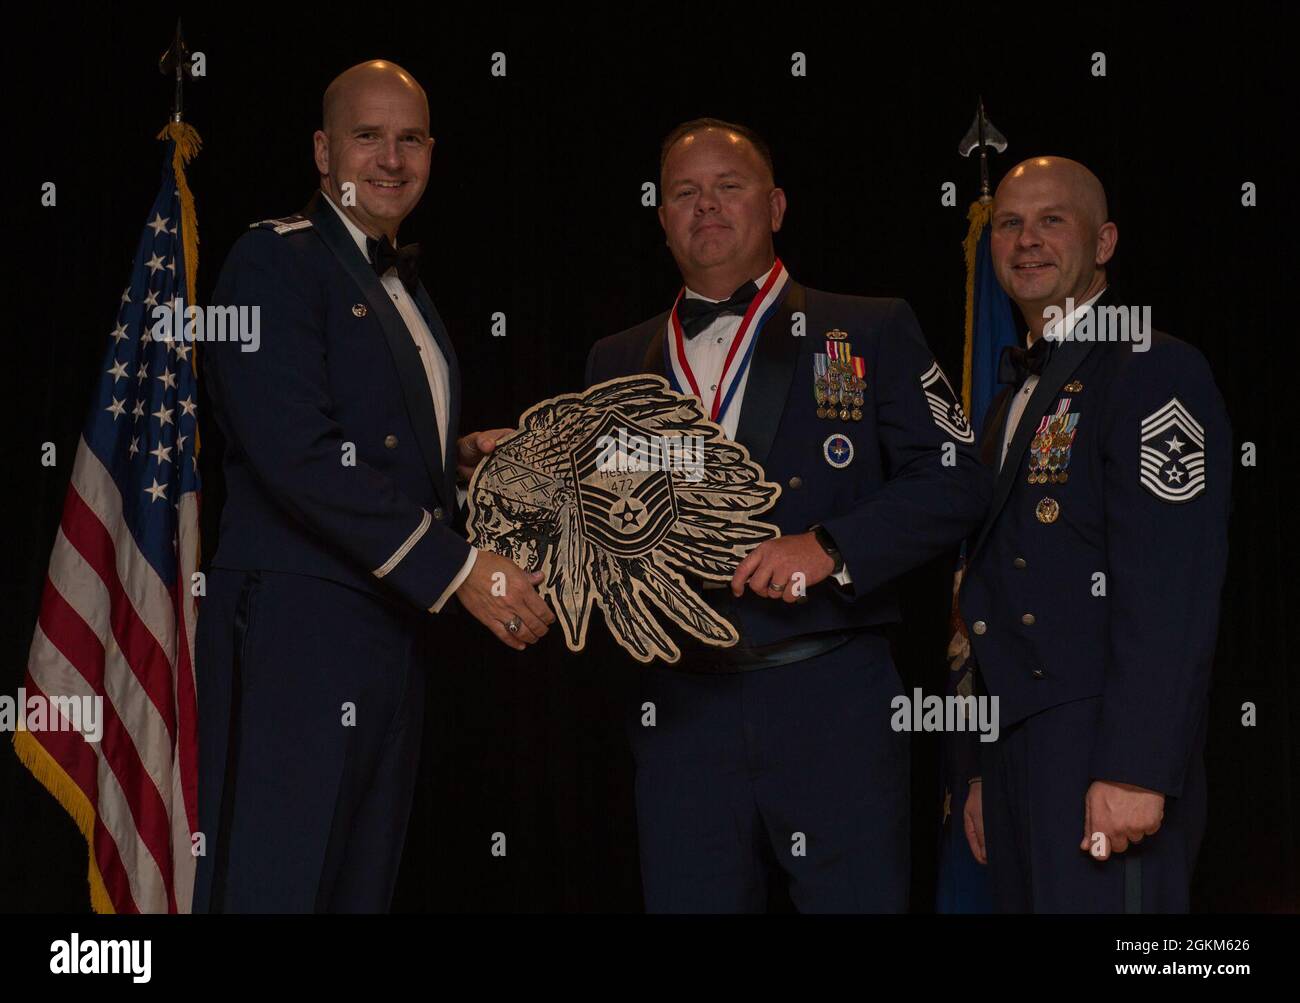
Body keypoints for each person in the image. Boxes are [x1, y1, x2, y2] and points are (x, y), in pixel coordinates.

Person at [585, 118, 992, 912]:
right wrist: (538, 479)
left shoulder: (870, 325)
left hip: (829, 694)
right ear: (661, 214)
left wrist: (831, 545)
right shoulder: (616, 358)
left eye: (728, 187)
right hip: (678, 708)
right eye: (684, 193)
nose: (706, 206)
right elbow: (614, 515)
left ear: (774, 206)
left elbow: (958, 479)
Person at [193, 60, 552, 913]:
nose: (391, 158)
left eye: (411, 138)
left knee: (358, 890)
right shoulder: (270, 259)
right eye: (367, 136)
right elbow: (295, 454)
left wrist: (457, 463)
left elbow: (368, 448)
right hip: (296, 632)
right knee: (273, 889)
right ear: (323, 151)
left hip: (390, 632)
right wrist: (463, 569)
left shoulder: (404, 288)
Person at [960, 157, 1231, 912]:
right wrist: (982, 767)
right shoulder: (1007, 399)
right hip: (1018, 755)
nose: (1026, 240)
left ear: (1105, 241)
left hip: (1103, 747)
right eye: (1010, 223)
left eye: (1053, 220)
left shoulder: (1152, 367)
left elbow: (1172, 586)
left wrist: (1138, 767)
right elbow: (987, 590)